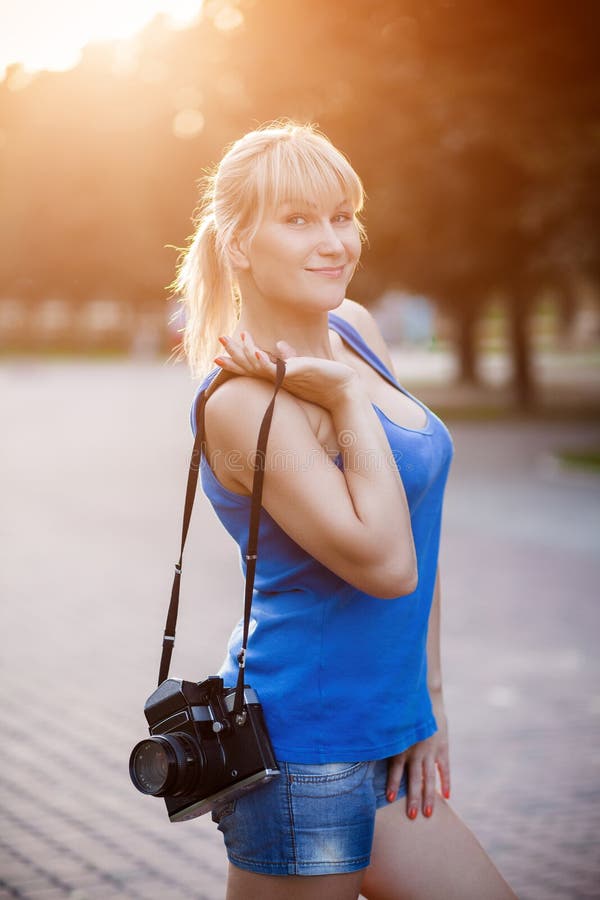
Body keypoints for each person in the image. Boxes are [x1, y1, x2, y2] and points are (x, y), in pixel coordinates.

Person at [173, 121, 517, 900]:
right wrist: (338, 396)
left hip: (389, 735)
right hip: (304, 752)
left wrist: (427, 701)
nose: (334, 242)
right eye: (298, 220)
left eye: (342, 216)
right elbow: (389, 565)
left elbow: (419, 531)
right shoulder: (239, 407)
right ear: (237, 243)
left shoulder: (354, 331)